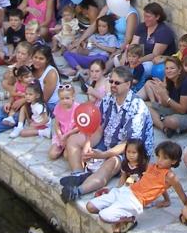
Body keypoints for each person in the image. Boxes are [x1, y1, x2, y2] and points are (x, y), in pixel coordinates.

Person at [61, 65, 154, 202]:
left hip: (131, 151)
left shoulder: (137, 107)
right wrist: (88, 144)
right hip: (108, 140)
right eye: (111, 81)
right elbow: (99, 127)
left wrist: (103, 154)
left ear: (128, 84)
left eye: (117, 83)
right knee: (73, 141)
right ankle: (79, 173)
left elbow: (129, 144)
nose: (112, 85)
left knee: (110, 164)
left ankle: (78, 191)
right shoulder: (108, 99)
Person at [86, 139, 187, 233]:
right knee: (90, 206)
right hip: (126, 191)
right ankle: (115, 208)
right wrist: (166, 200)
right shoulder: (151, 166)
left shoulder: (170, 176)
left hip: (135, 201)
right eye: (158, 156)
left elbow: (180, 192)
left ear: (173, 161)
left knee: (103, 216)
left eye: (164, 158)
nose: (159, 160)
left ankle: (130, 219)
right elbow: (158, 185)